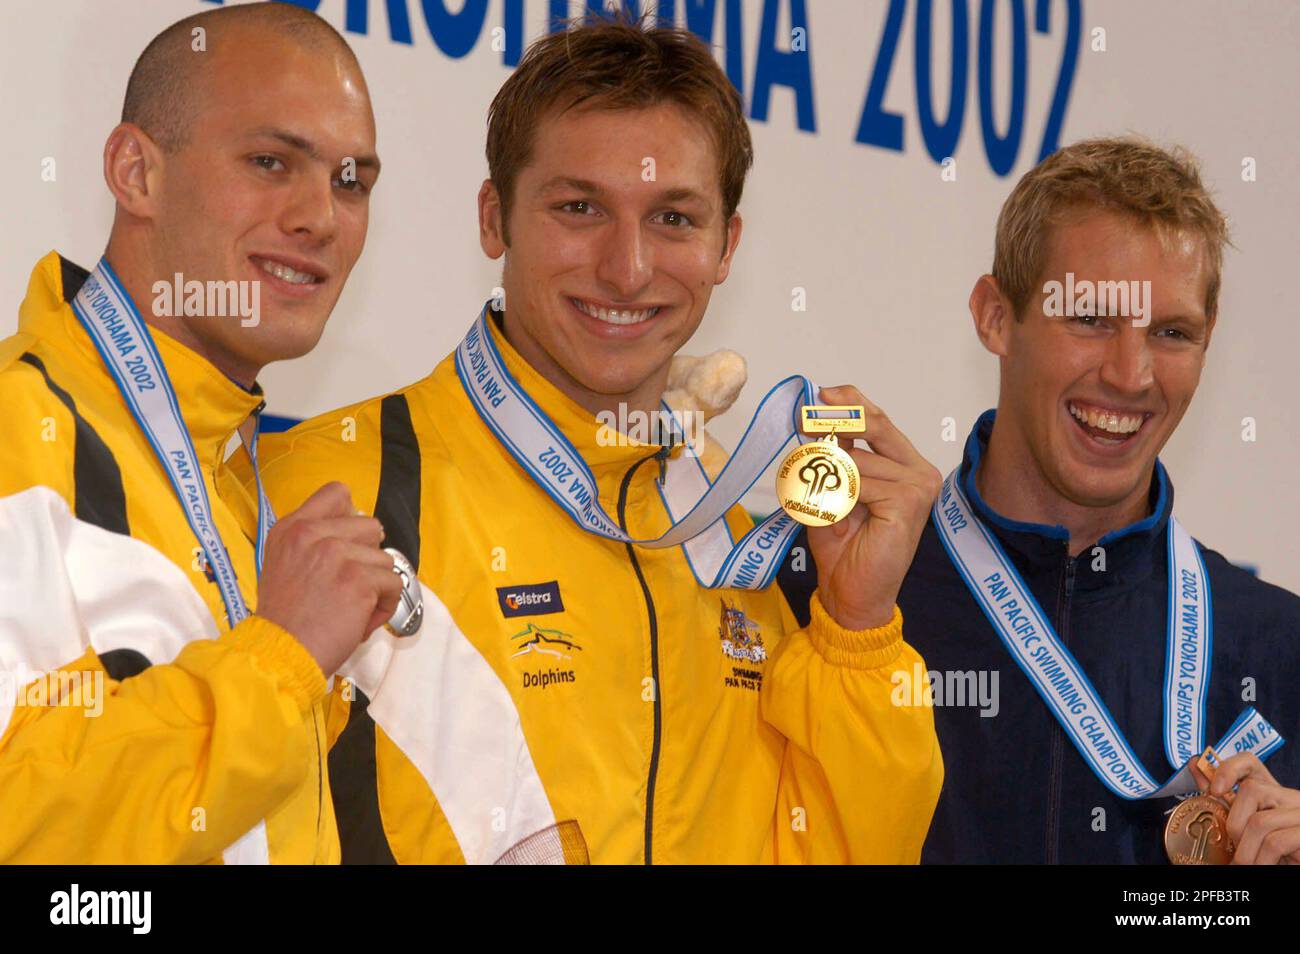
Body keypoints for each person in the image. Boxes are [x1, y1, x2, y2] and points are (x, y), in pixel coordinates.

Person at [250, 15, 945, 864]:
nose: (627, 269)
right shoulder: (323, 490)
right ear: (493, 218)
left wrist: (856, 631)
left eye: (675, 219)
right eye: (580, 208)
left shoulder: (736, 540)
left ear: (727, 246)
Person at [786, 137, 1300, 864]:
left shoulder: (1279, 645)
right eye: (1090, 319)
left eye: (1171, 332)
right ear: (996, 317)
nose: (1130, 375)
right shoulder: (831, 593)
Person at [0, 4, 399, 864]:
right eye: (270, 161)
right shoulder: (14, 437)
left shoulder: (251, 479)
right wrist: (281, 658)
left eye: (351, 181)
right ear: (136, 172)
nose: (320, 218)